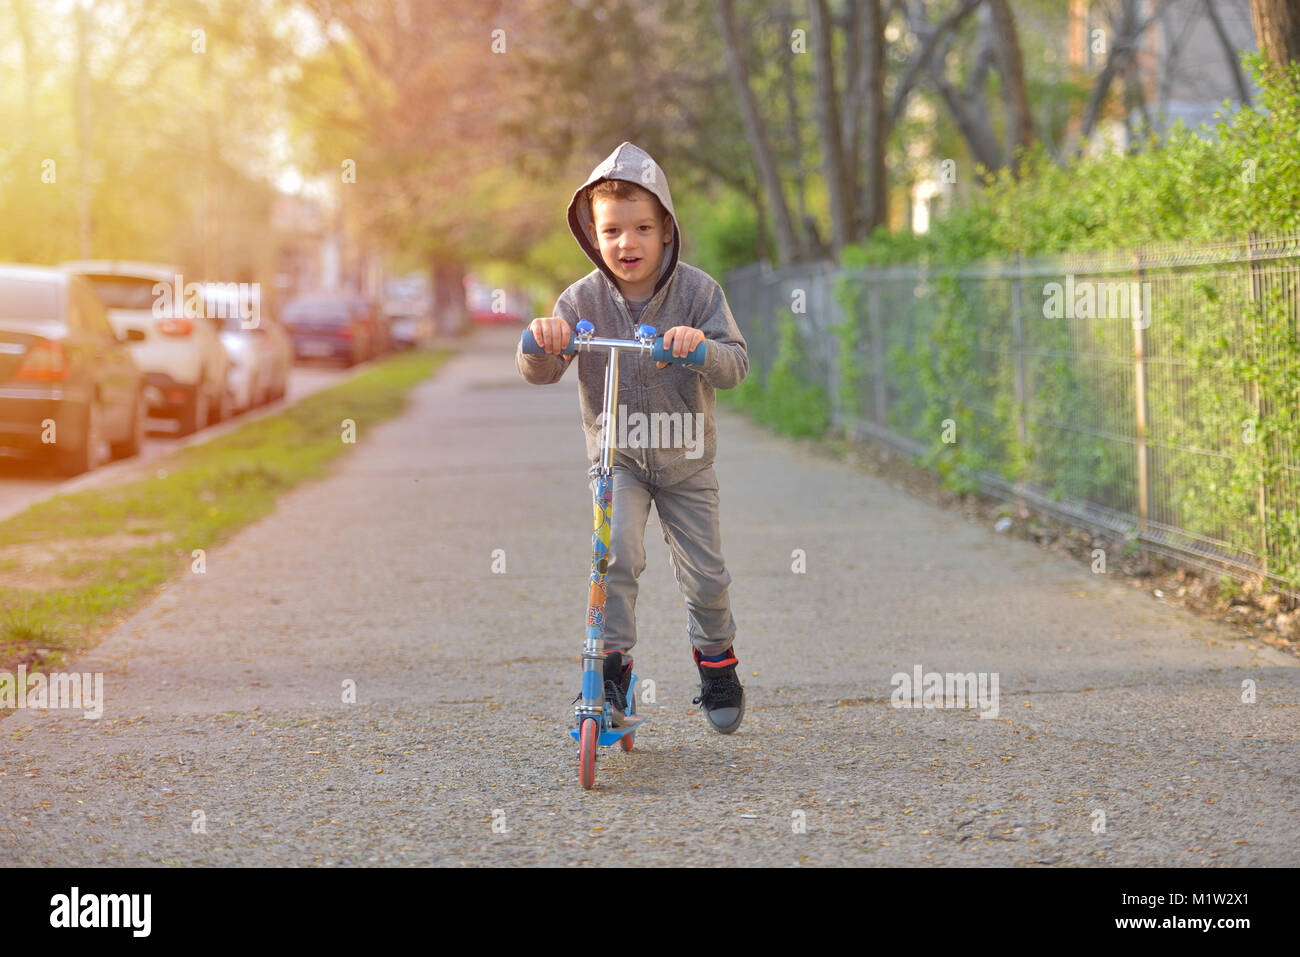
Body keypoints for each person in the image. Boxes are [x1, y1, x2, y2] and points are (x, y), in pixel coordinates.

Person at [516, 141, 749, 734]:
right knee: (614, 557)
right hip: (616, 458)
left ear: (667, 228)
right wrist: (539, 341)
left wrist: (700, 350)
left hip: (686, 459)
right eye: (613, 230)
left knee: (707, 577)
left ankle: (717, 663)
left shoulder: (699, 293)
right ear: (593, 235)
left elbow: (736, 365)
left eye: (643, 227)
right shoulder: (580, 300)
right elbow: (542, 370)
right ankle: (611, 672)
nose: (628, 243)